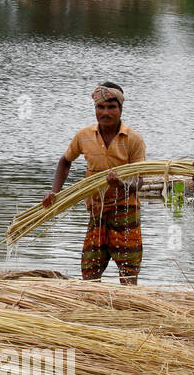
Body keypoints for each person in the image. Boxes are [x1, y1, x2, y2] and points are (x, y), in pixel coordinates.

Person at [42, 83, 146, 284]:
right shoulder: (84, 136)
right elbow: (65, 161)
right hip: (96, 212)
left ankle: (130, 311)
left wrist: (121, 184)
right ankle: (93, 312)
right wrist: (55, 192)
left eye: (111, 107)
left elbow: (138, 181)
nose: (105, 112)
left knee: (128, 274)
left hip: (126, 214)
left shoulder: (133, 139)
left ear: (120, 109)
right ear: (95, 109)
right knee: (90, 274)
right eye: (100, 107)